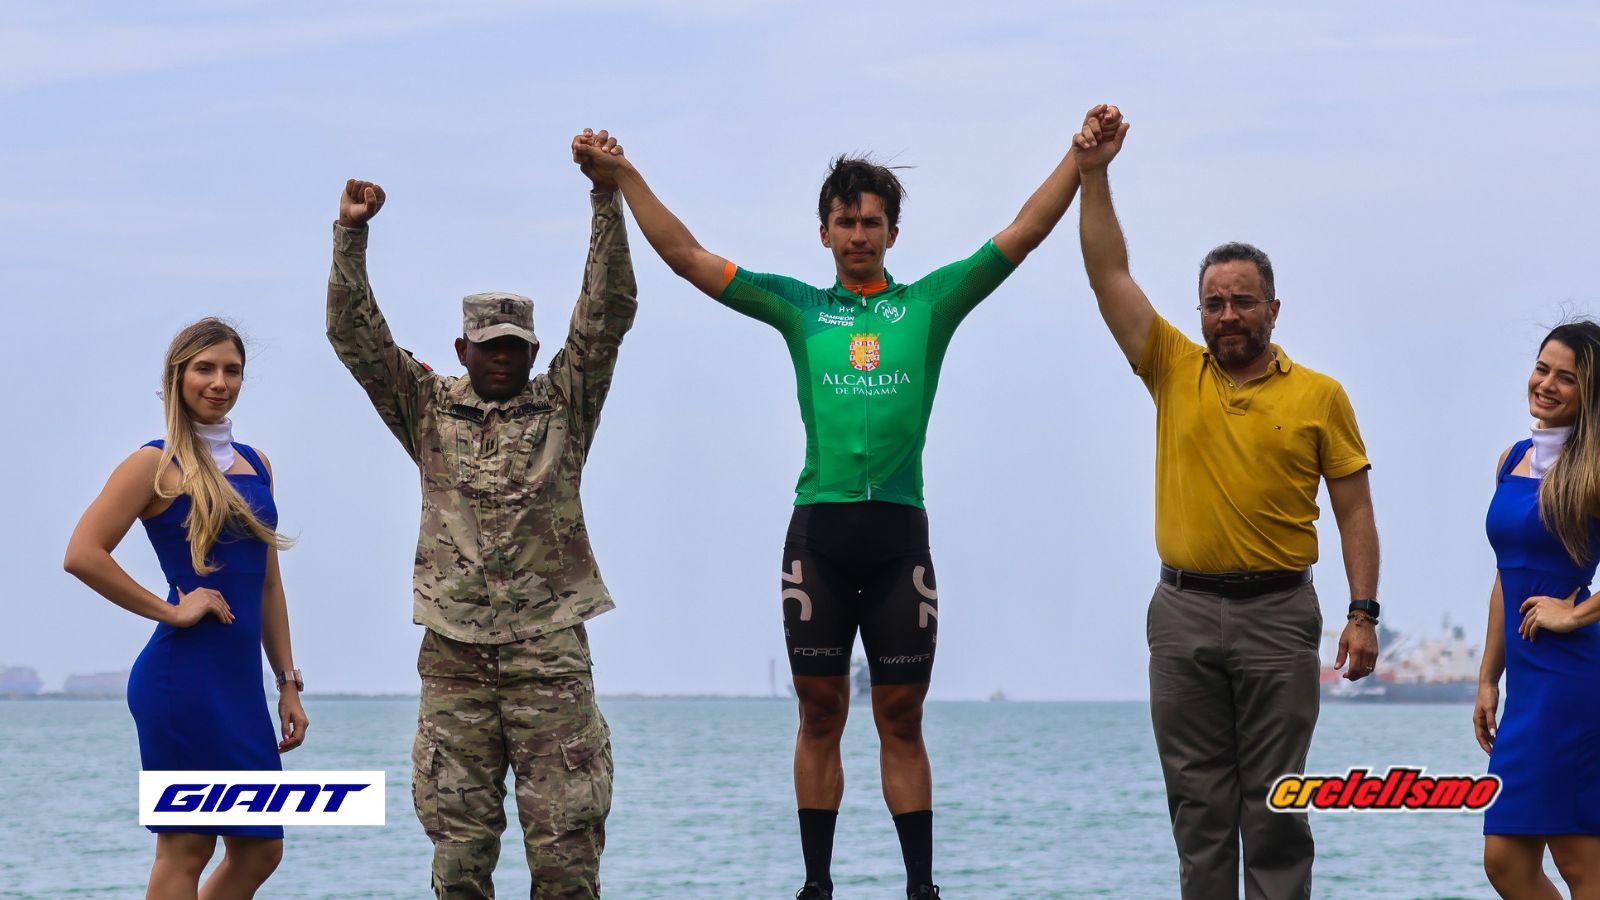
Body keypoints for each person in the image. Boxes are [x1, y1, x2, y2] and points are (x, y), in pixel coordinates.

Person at [572, 107, 1096, 899]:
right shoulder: (797, 307)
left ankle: (922, 889)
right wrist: (626, 176)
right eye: (846, 222)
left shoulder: (930, 305)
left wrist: (1079, 156)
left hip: (898, 539)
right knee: (819, 714)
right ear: (824, 232)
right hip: (818, 534)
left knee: (902, 719)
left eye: (873, 223)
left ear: (892, 233)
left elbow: (1022, 233)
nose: (860, 234)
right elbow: (685, 257)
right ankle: (817, 886)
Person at [1073, 107, 1381, 900]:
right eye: (1215, 303)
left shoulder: (1321, 395)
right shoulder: (1173, 368)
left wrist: (1364, 612)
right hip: (1180, 612)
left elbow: (1354, 511)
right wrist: (1095, 173)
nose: (1229, 316)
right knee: (1197, 809)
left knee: (1276, 807)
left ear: (1274, 309)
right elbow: (1109, 274)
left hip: (1280, 615)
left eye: (1244, 301)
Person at [326, 135, 636, 899]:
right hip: (456, 655)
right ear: (462, 347)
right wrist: (351, 236)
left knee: (566, 851)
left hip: (548, 653)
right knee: (459, 856)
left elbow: (608, 311)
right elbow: (354, 337)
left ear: (532, 350)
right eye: (489, 345)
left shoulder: (565, 401)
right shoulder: (427, 409)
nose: (502, 356)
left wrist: (606, 200)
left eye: (515, 346)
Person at [63, 317, 305, 900]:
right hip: (182, 682)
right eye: (205, 368)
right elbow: (82, 554)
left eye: (231, 370)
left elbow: (267, 586)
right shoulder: (153, 464)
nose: (219, 382)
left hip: (242, 685)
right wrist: (168, 609)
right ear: (177, 377)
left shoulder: (258, 464)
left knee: (260, 847)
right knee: (187, 845)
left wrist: (288, 682)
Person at [1474, 321, 1600, 898]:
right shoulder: (1513, 459)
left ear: (1589, 392)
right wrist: (1486, 678)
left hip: (1573, 683)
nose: (1546, 384)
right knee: (1506, 861)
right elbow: (1506, 577)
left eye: (1565, 377)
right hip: (1525, 688)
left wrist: (1574, 615)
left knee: (1580, 862)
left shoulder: (1594, 469)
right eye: (1542, 368)